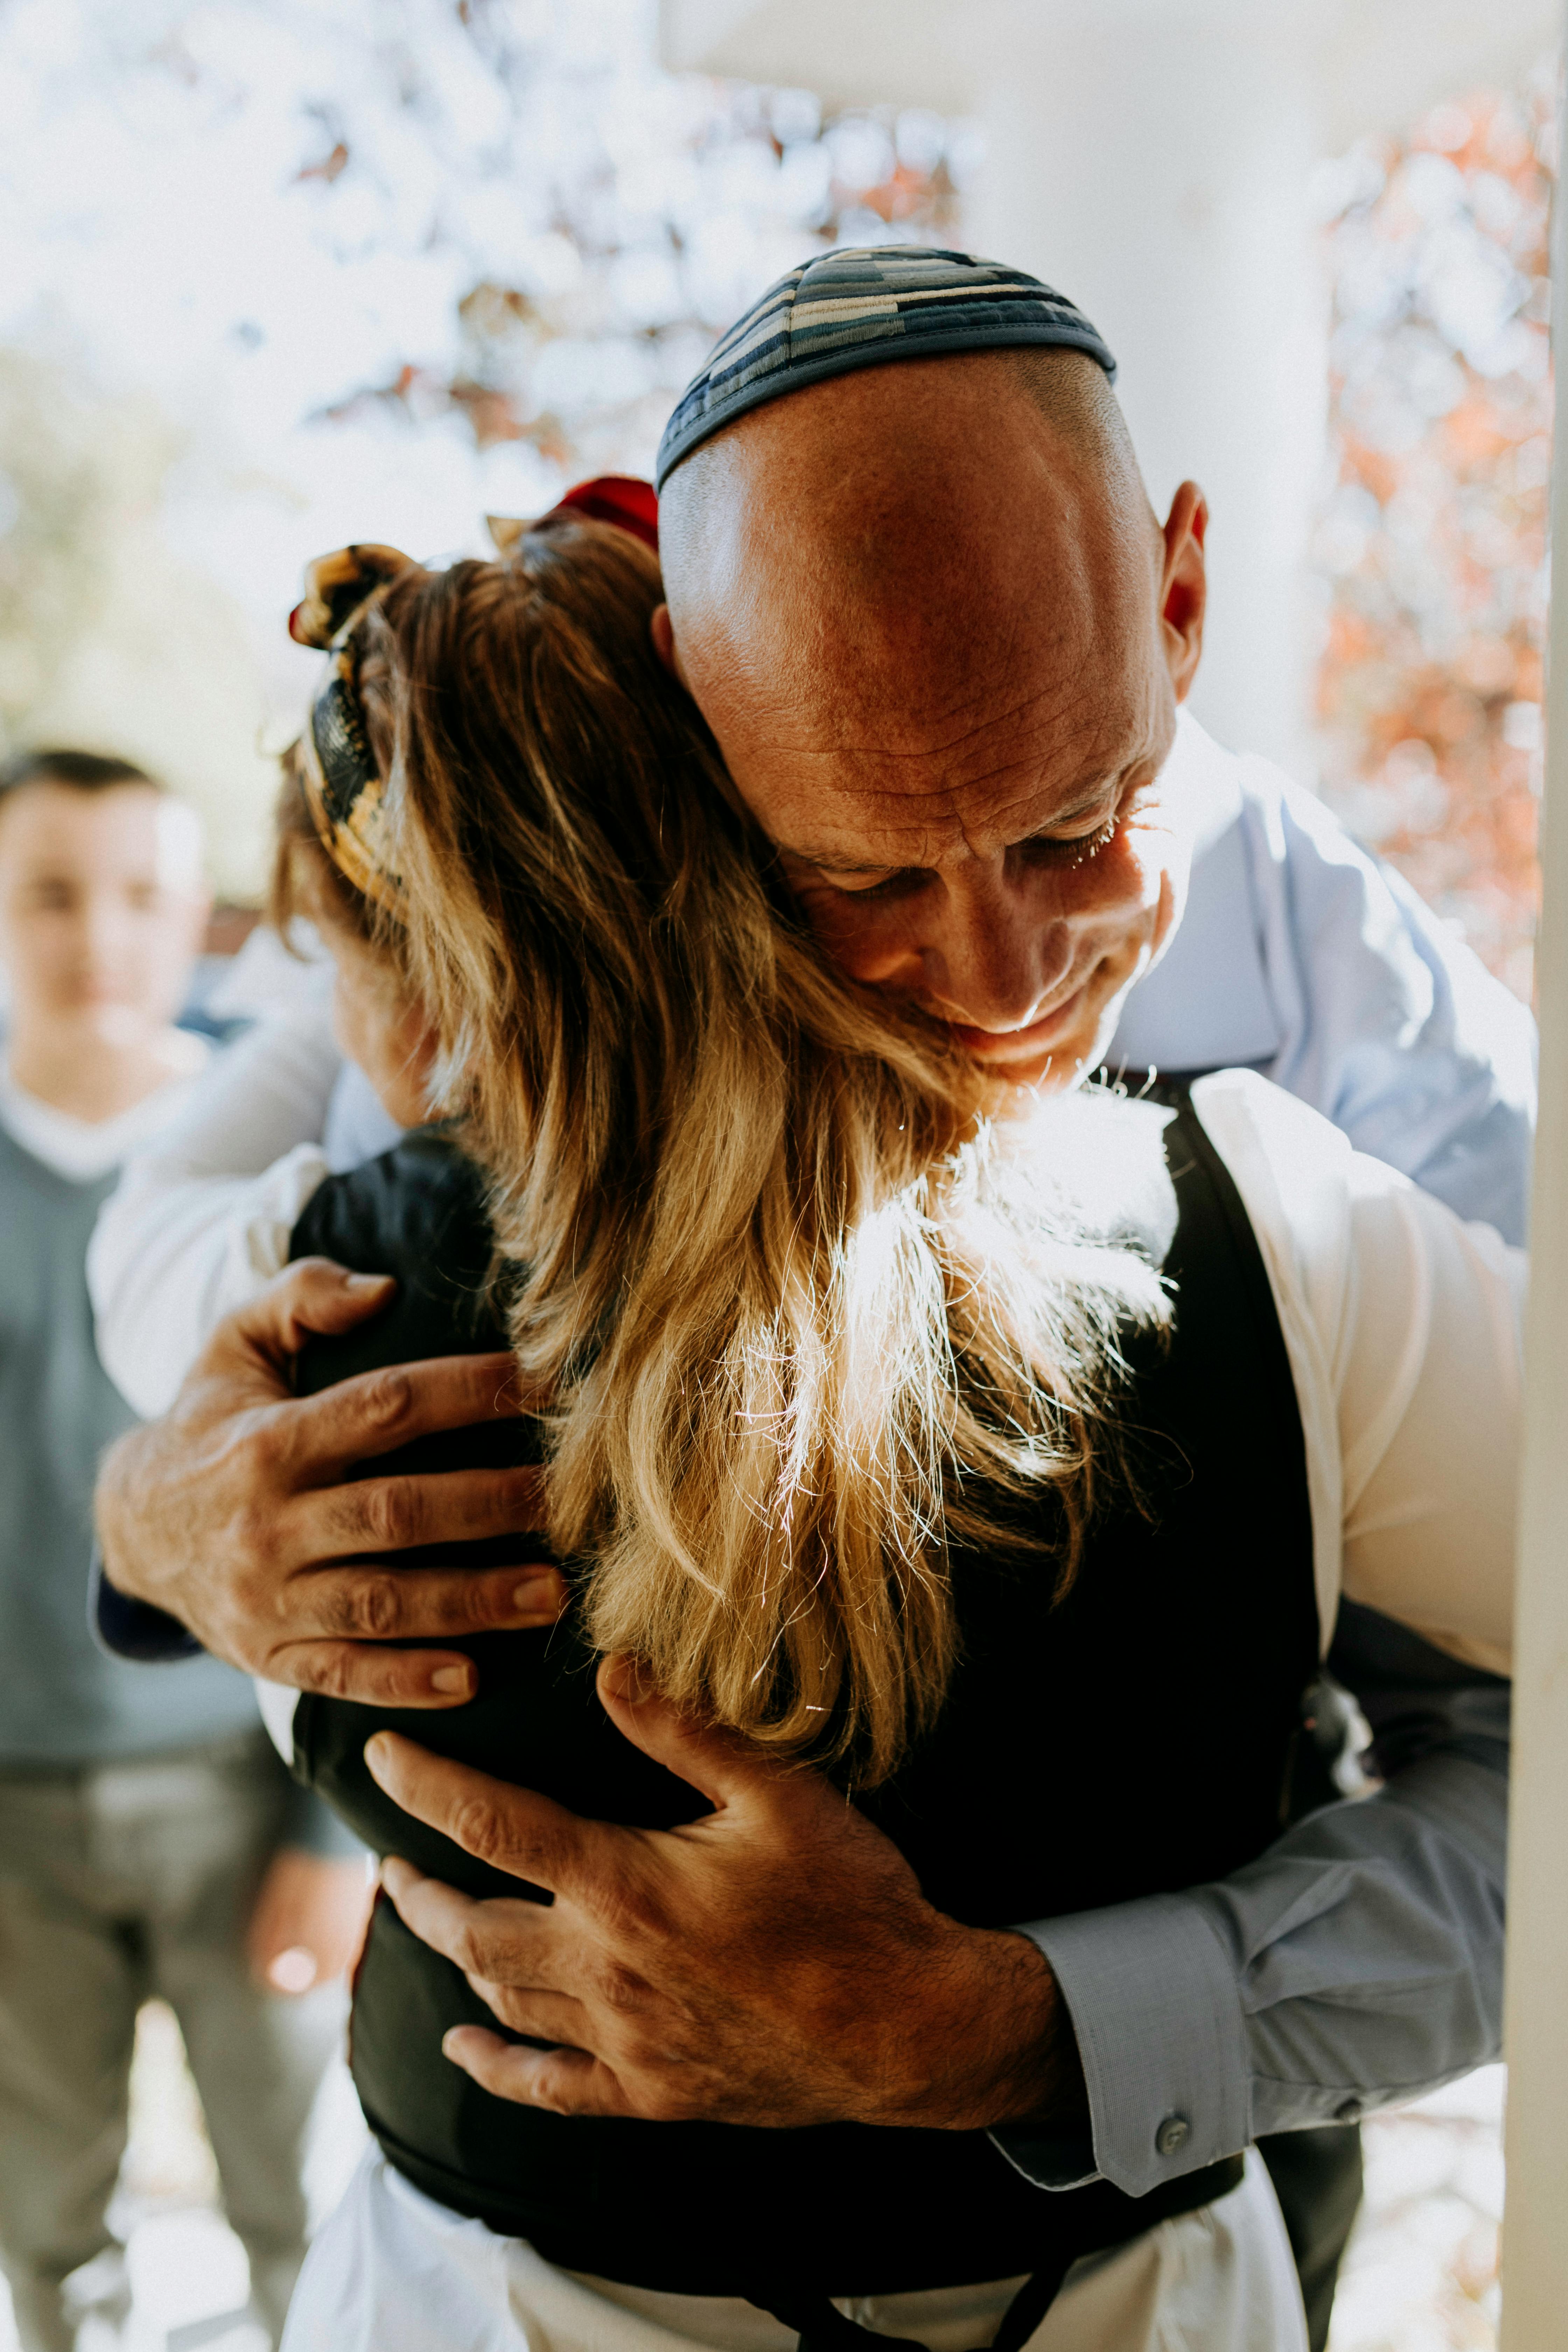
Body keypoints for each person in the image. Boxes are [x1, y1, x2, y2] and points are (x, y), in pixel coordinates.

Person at [90, 257, 1519, 2345]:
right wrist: (149, 1516)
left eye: (1081, 826)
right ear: (705, 719)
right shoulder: (410, 1216)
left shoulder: (1325, 1140)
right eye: (862, 876)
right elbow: (214, 1229)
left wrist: (1049, 2026)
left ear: (1180, 595)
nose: (1006, 982)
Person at [0, 749, 370, 2352]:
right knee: (47, 2225)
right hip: (13, 1822)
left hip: (245, 1789)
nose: (99, 937)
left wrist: (335, 1841)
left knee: (304, 2213)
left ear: (196, 912)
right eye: (48, 895)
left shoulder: (275, 1180)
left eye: (141, 894)